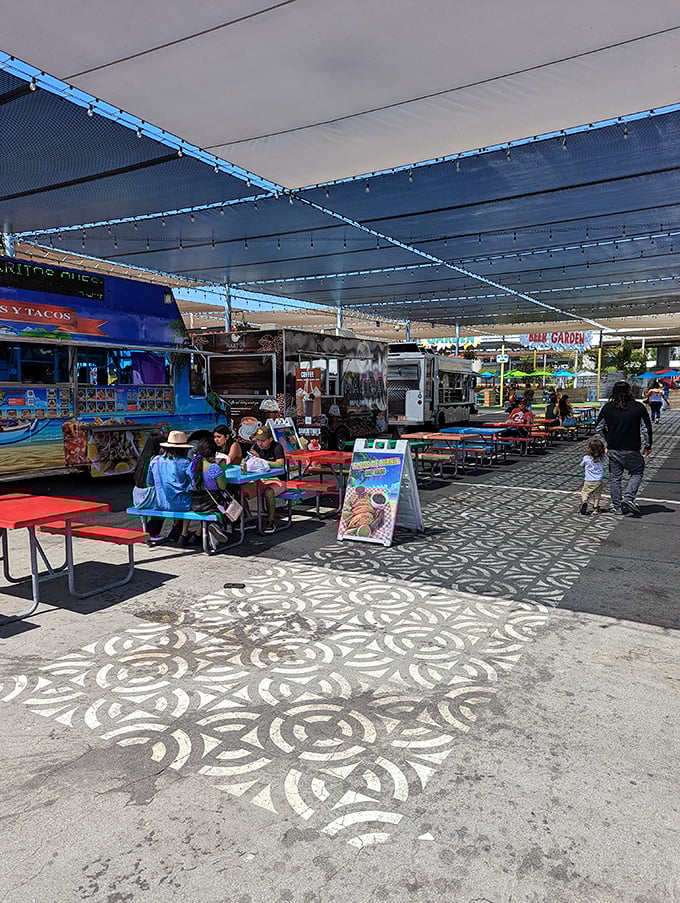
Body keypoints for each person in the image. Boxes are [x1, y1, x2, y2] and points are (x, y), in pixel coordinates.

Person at [595, 381, 652, 517]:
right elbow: (646, 428)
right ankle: (629, 498)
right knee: (637, 472)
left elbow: (599, 427)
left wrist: (608, 438)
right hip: (632, 448)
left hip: (614, 448)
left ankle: (617, 507)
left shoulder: (608, 408)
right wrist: (648, 445)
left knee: (615, 478)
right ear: (629, 391)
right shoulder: (638, 407)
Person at [146, 430, 196, 545]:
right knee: (188, 501)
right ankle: (179, 533)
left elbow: (149, 482)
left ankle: (158, 532)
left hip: (160, 504)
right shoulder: (185, 463)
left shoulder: (155, 461)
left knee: (170, 501)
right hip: (182, 505)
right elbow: (193, 484)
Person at [190, 437, 232, 552]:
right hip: (212, 504)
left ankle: (207, 531)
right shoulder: (214, 468)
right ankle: (217, 527)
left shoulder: (191, 467)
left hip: (195, 504)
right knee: (231, 500)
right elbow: (222, 486)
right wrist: (222, 468)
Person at [244, 425, 286, 534]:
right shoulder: (255, 447)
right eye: (258, 440)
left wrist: (261, 460)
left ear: (270, 439)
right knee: (240, 492)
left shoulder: (277, 447)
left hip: (278, 480)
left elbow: (280, 464)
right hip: (260, 480)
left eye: (263, 441)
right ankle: (248, 519)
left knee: (269, 492)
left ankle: (270, 521)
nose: (260, 443)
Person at [132, 430, 167, 541]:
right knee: (164, 505)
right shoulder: (156, 460)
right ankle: (152, 533)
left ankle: (149, 531)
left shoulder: (142, 458)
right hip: (148, 496)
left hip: (137, 496)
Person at [578, 438, 607, 515]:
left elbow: (581, 465)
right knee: (597, 495)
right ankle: (595, 508)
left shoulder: (586, 458)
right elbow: (605, 455)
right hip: (598, 481)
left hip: (588, 480)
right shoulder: (602, 458)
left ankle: (584, 502)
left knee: (585, 493)